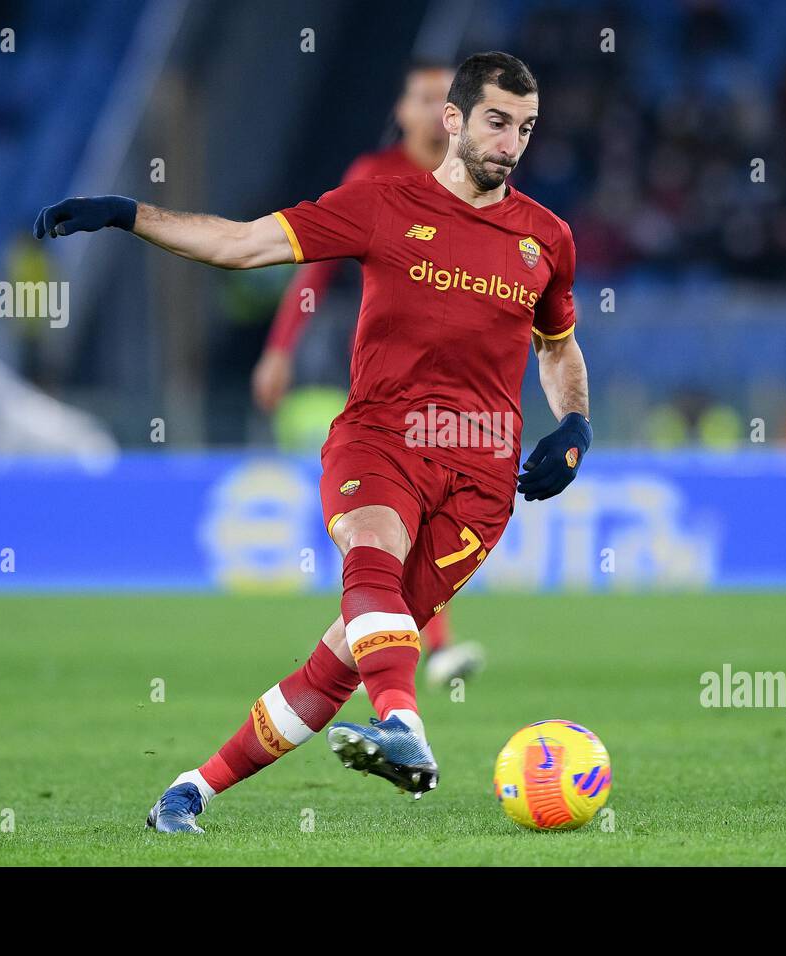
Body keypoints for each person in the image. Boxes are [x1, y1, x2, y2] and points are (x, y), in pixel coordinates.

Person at [34, 51, 592, 832]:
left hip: (482, 478)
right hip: (380, 439)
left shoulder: (547, 238)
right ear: (455, 120)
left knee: (337, 665)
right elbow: (244, 244)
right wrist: (131, 213)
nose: (512, 143)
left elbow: (557, 346)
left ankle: (189, 792)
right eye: (498, 122)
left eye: (526, 129)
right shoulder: (379, 203)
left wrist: (574, 426)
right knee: (371, 549)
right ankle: (405, 729)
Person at [253, 60, 484, 689]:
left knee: (435, 510)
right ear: (404, 112)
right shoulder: (374, 178)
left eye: (449, 98)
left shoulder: (478, 181)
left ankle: (404, 638)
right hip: (385, 374)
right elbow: (313, 269)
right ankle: (413, 642)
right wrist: (280, 349)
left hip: (459, 381)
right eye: (425, 97)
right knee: (398, 512)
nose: (438, 109)